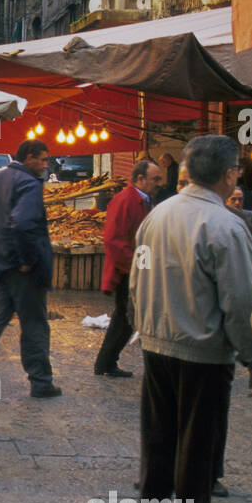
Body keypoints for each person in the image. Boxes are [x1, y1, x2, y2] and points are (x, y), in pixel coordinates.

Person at [128, 135, 252, 503]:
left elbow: (136, 281)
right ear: (229, 175)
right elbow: (243, 301)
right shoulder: (227, 225)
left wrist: (143, 326)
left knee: (159, 439)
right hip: (202, 352)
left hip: (157, 343)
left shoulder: (158, 215)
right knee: (196, 447)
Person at [0, 139, 60, 399]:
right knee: (34, 324)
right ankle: (41, 381)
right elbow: (23, 224)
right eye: (44, 160)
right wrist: (28, 260)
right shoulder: (28, 183)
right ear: (29, 158)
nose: (46, 166)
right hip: (21, 269)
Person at [95, 158, 162, 378]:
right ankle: (105, 363)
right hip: (128, 272)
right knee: (125, 319)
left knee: (125, 319)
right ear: (140, 179)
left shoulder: (144, 200)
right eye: (155, 179)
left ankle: (106, 362)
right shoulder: (126, 200)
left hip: (134, 269)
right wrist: (136, 268)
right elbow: (115, 240)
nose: (159, 183)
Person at [226, 186, 252, 282]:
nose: (237, 203)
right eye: (233, 200)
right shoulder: (222, 218)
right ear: (227, 200)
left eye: (240, 199)